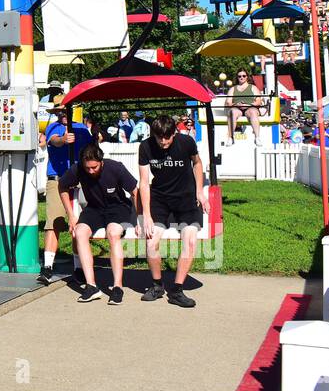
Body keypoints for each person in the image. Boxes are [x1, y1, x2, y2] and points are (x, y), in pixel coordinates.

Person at [137, 115, 207, 308]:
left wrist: (199, 191)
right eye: (159, 137)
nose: (163, 141)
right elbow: (143, 182)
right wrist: (147, 215)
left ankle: (176, 290)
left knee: (190, 239)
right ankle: (157, 285)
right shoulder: (145, 147)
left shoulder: (186, 142)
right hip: (160, 199)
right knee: (151, 241)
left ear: (174, 133)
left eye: (167, 137)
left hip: (186, 199)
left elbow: (198, 163)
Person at [61, 141, 137, 304]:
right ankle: (91, 286)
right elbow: (62, 187)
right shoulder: (78, 169)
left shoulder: (116, 168)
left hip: (118, 208)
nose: (90, 171)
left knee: (113, 232)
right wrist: (71, 216)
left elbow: (135, 191)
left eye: (94, 167)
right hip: (94, 208)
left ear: (101, 162)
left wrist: (140, 218)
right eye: (87, 168)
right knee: (79, 232)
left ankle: (117, 287)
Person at [37, 108, 91, 286]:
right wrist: (63, 139)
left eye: (65, 111)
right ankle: (47, 267)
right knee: (54, 221)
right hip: (57, 179)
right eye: (60, 112)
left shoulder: (82, 129)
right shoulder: (53, 127)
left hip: (80, 180)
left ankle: (78, 267)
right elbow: (55, 141)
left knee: (79, 223)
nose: (63, 115)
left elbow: (90, 151)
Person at [226, 70, 265, 145]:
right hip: (237, 108)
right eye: (239, 76)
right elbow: (228, 102)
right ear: (237, 78)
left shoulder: (253, 87)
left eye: (244, 76)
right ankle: (230, 137)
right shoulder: (233, 89)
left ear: (247, 77)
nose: (241, 77)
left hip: (250, 108)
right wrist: (236, 104)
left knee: (253, 112)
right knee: (232, 112)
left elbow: (258, 101)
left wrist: (248, 105)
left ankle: (257, 137)